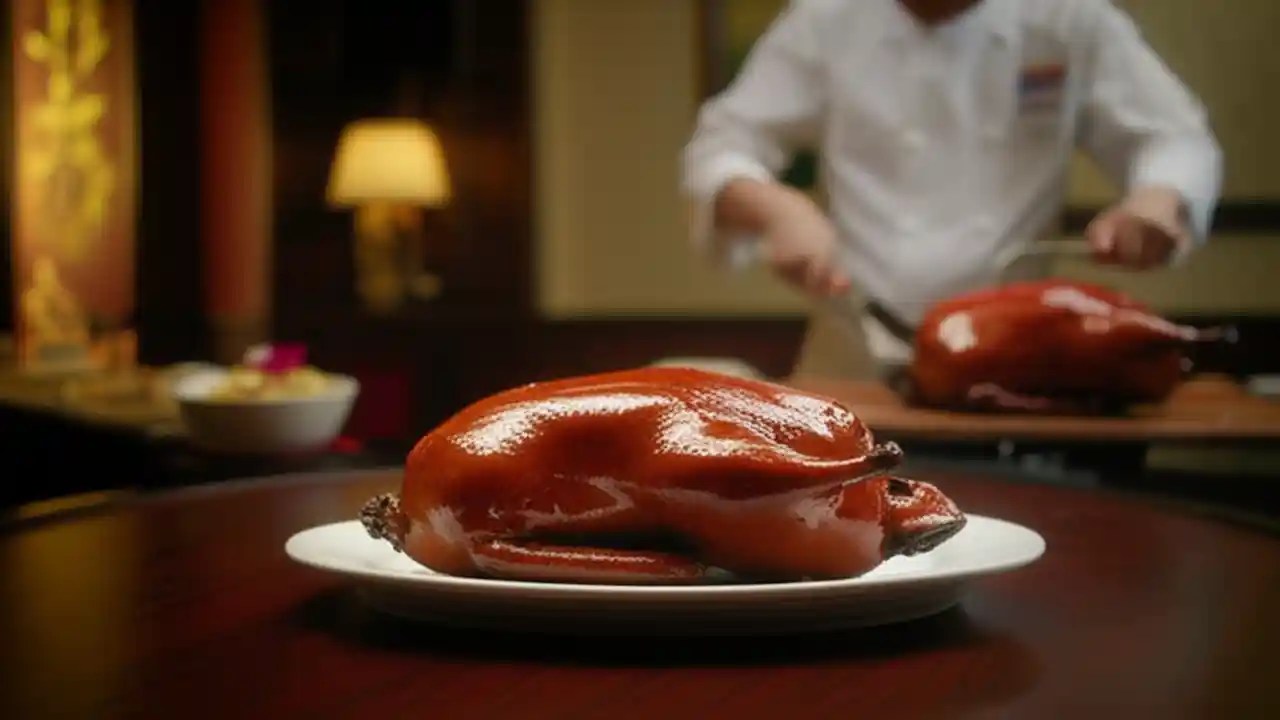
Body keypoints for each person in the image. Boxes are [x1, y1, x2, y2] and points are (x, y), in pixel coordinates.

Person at [681, 0, 1222, 381]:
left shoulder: (1070, 18)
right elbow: (720, 147)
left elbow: (1176, 139)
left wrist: (1160, 198)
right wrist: (779, 209)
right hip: (855, 353)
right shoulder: (825, 18)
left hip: (1013, 356)